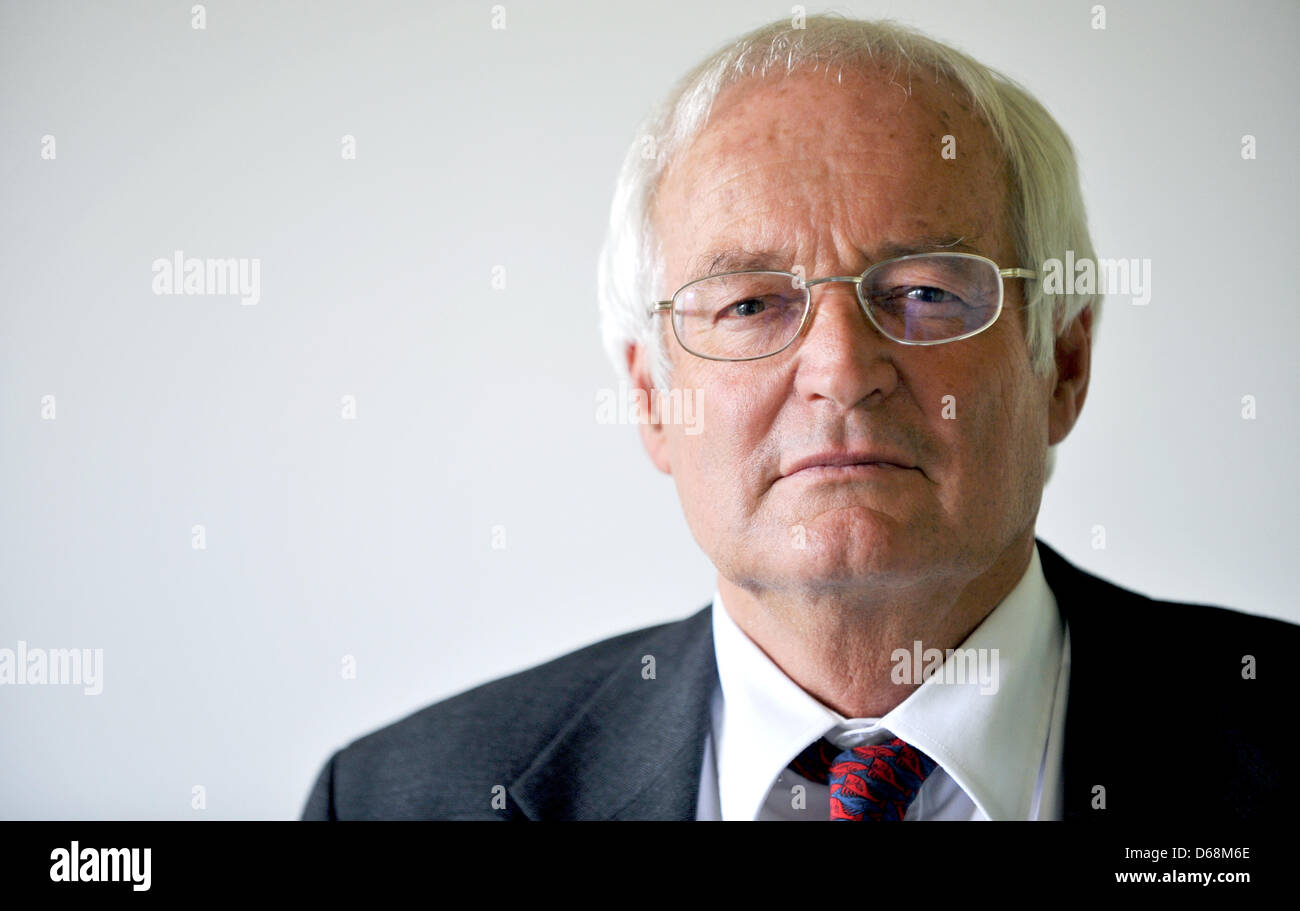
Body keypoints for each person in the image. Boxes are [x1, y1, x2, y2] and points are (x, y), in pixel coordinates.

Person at [301, 14, 1298, 821]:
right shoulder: (398, 799)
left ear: (1062, 366)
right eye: (748, 303)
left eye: (924, 291)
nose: (839, 370)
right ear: (650, 396)